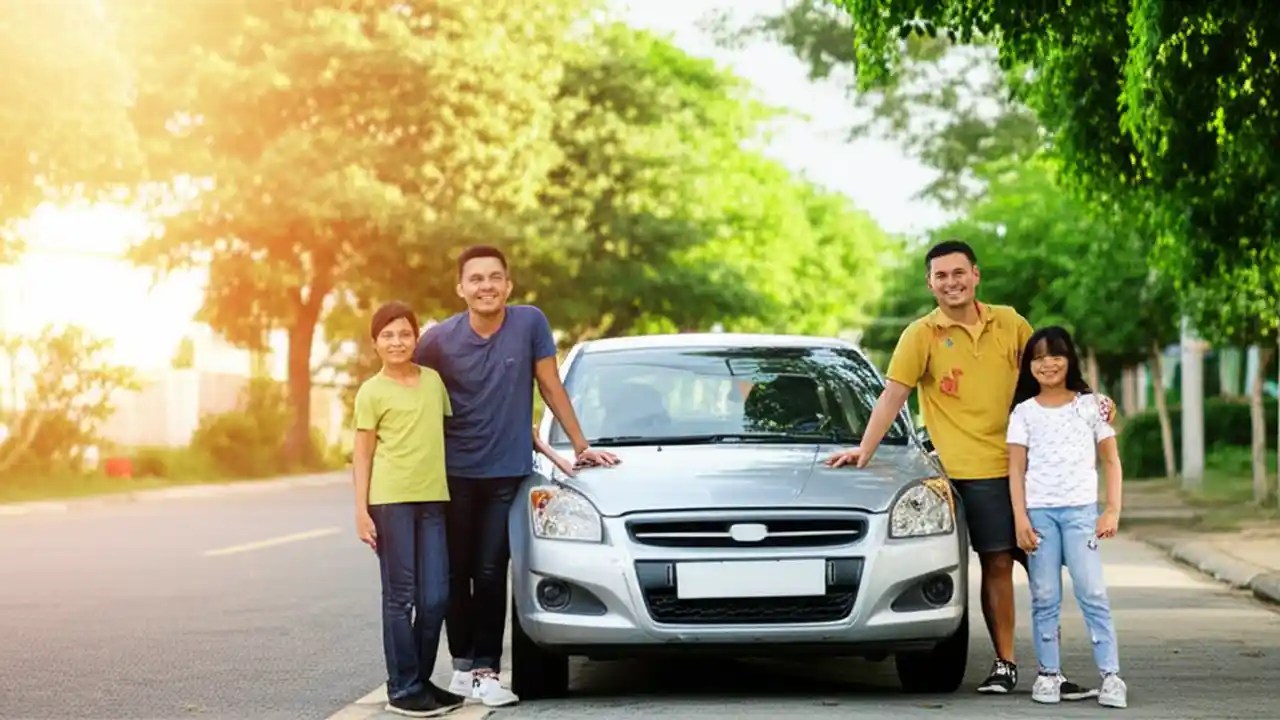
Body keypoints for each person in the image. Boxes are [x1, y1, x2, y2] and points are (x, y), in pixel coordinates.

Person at [824, 240, 1111, 697]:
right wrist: (865, 450)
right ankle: (1006, 664)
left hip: (1035, 468)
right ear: (930, 282)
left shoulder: (1010, 322)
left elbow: (1048, 369)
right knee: (997, 562)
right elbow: (893, 396)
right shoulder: (922, 334)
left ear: (975, 275)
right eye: (941, 276)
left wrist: (1092, 402)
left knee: (1045, 573)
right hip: (975, 471)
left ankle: (1051, 670)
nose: (951, 282)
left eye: (959, 273)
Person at [412, 245, 619, 707]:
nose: (486, 286)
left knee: (490, 569)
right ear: (460, 288)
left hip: (506, 472)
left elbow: (550, 384)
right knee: (453, 573)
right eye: (476, 279)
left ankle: (486, 668)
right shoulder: (438, 341)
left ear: (508, 285)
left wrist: (580, 445)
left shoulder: (530, 323)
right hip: (451, 474)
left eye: (494, 278)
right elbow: (411, 398)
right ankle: (462, 663)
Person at [351, 301, 464, 718]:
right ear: (376, 343)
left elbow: (448, 435)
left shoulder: (433, 382)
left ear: (416, 338)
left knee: (435, 596)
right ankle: (404, 688)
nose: (397, 342)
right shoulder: (372, 391)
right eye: (387, 335)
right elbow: (362, 455)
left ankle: (418, 679)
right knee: (401, 598)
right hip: (390, 501)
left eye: (404, 333)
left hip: (433, 499)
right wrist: (360, 511)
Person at [1007, 326, 1127, 709]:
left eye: (1056, 354)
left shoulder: (1091, 405)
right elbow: (1015, 470)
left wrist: (1111, 509)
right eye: (1039, 357)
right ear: (1029, 365)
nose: (1048, 363)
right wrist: (1020, 519)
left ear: (1070, 358)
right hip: (1040, 515)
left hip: (1080, 514)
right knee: (1044, 596)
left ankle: (1111, 676)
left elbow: (1111, 460)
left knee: (1092, 592)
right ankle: (1048, 674)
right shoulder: (1023, 413)